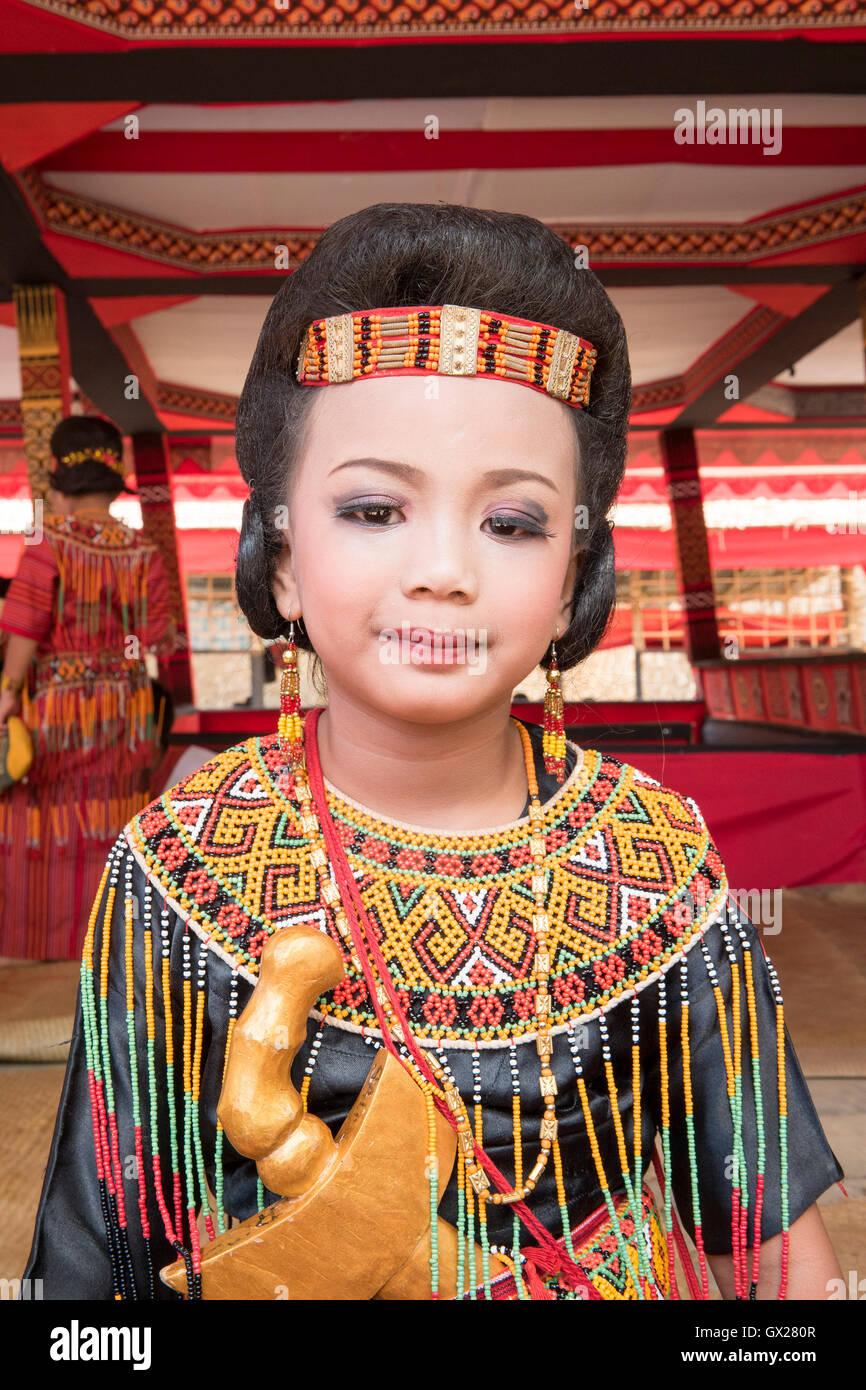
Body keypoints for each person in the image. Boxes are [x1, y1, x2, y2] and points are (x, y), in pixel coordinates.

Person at [23, 204, 842, 1300]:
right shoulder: (180, 872)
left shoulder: (651, 859)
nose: (444, 570)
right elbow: (90, 1282)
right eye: (373, 508)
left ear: (571, 585)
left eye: (512, 523)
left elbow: (777, 1260)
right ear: (276, 562)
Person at [0, 416, 173, 961]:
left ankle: (39, 957)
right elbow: (155, 640)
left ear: (57, 475)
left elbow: (25, 627)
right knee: (112, 822)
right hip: (126, 711)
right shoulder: (143, 552)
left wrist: (6, 690)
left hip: (57, 712)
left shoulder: (48, 543)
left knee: (41, 822)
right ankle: (108, 953)